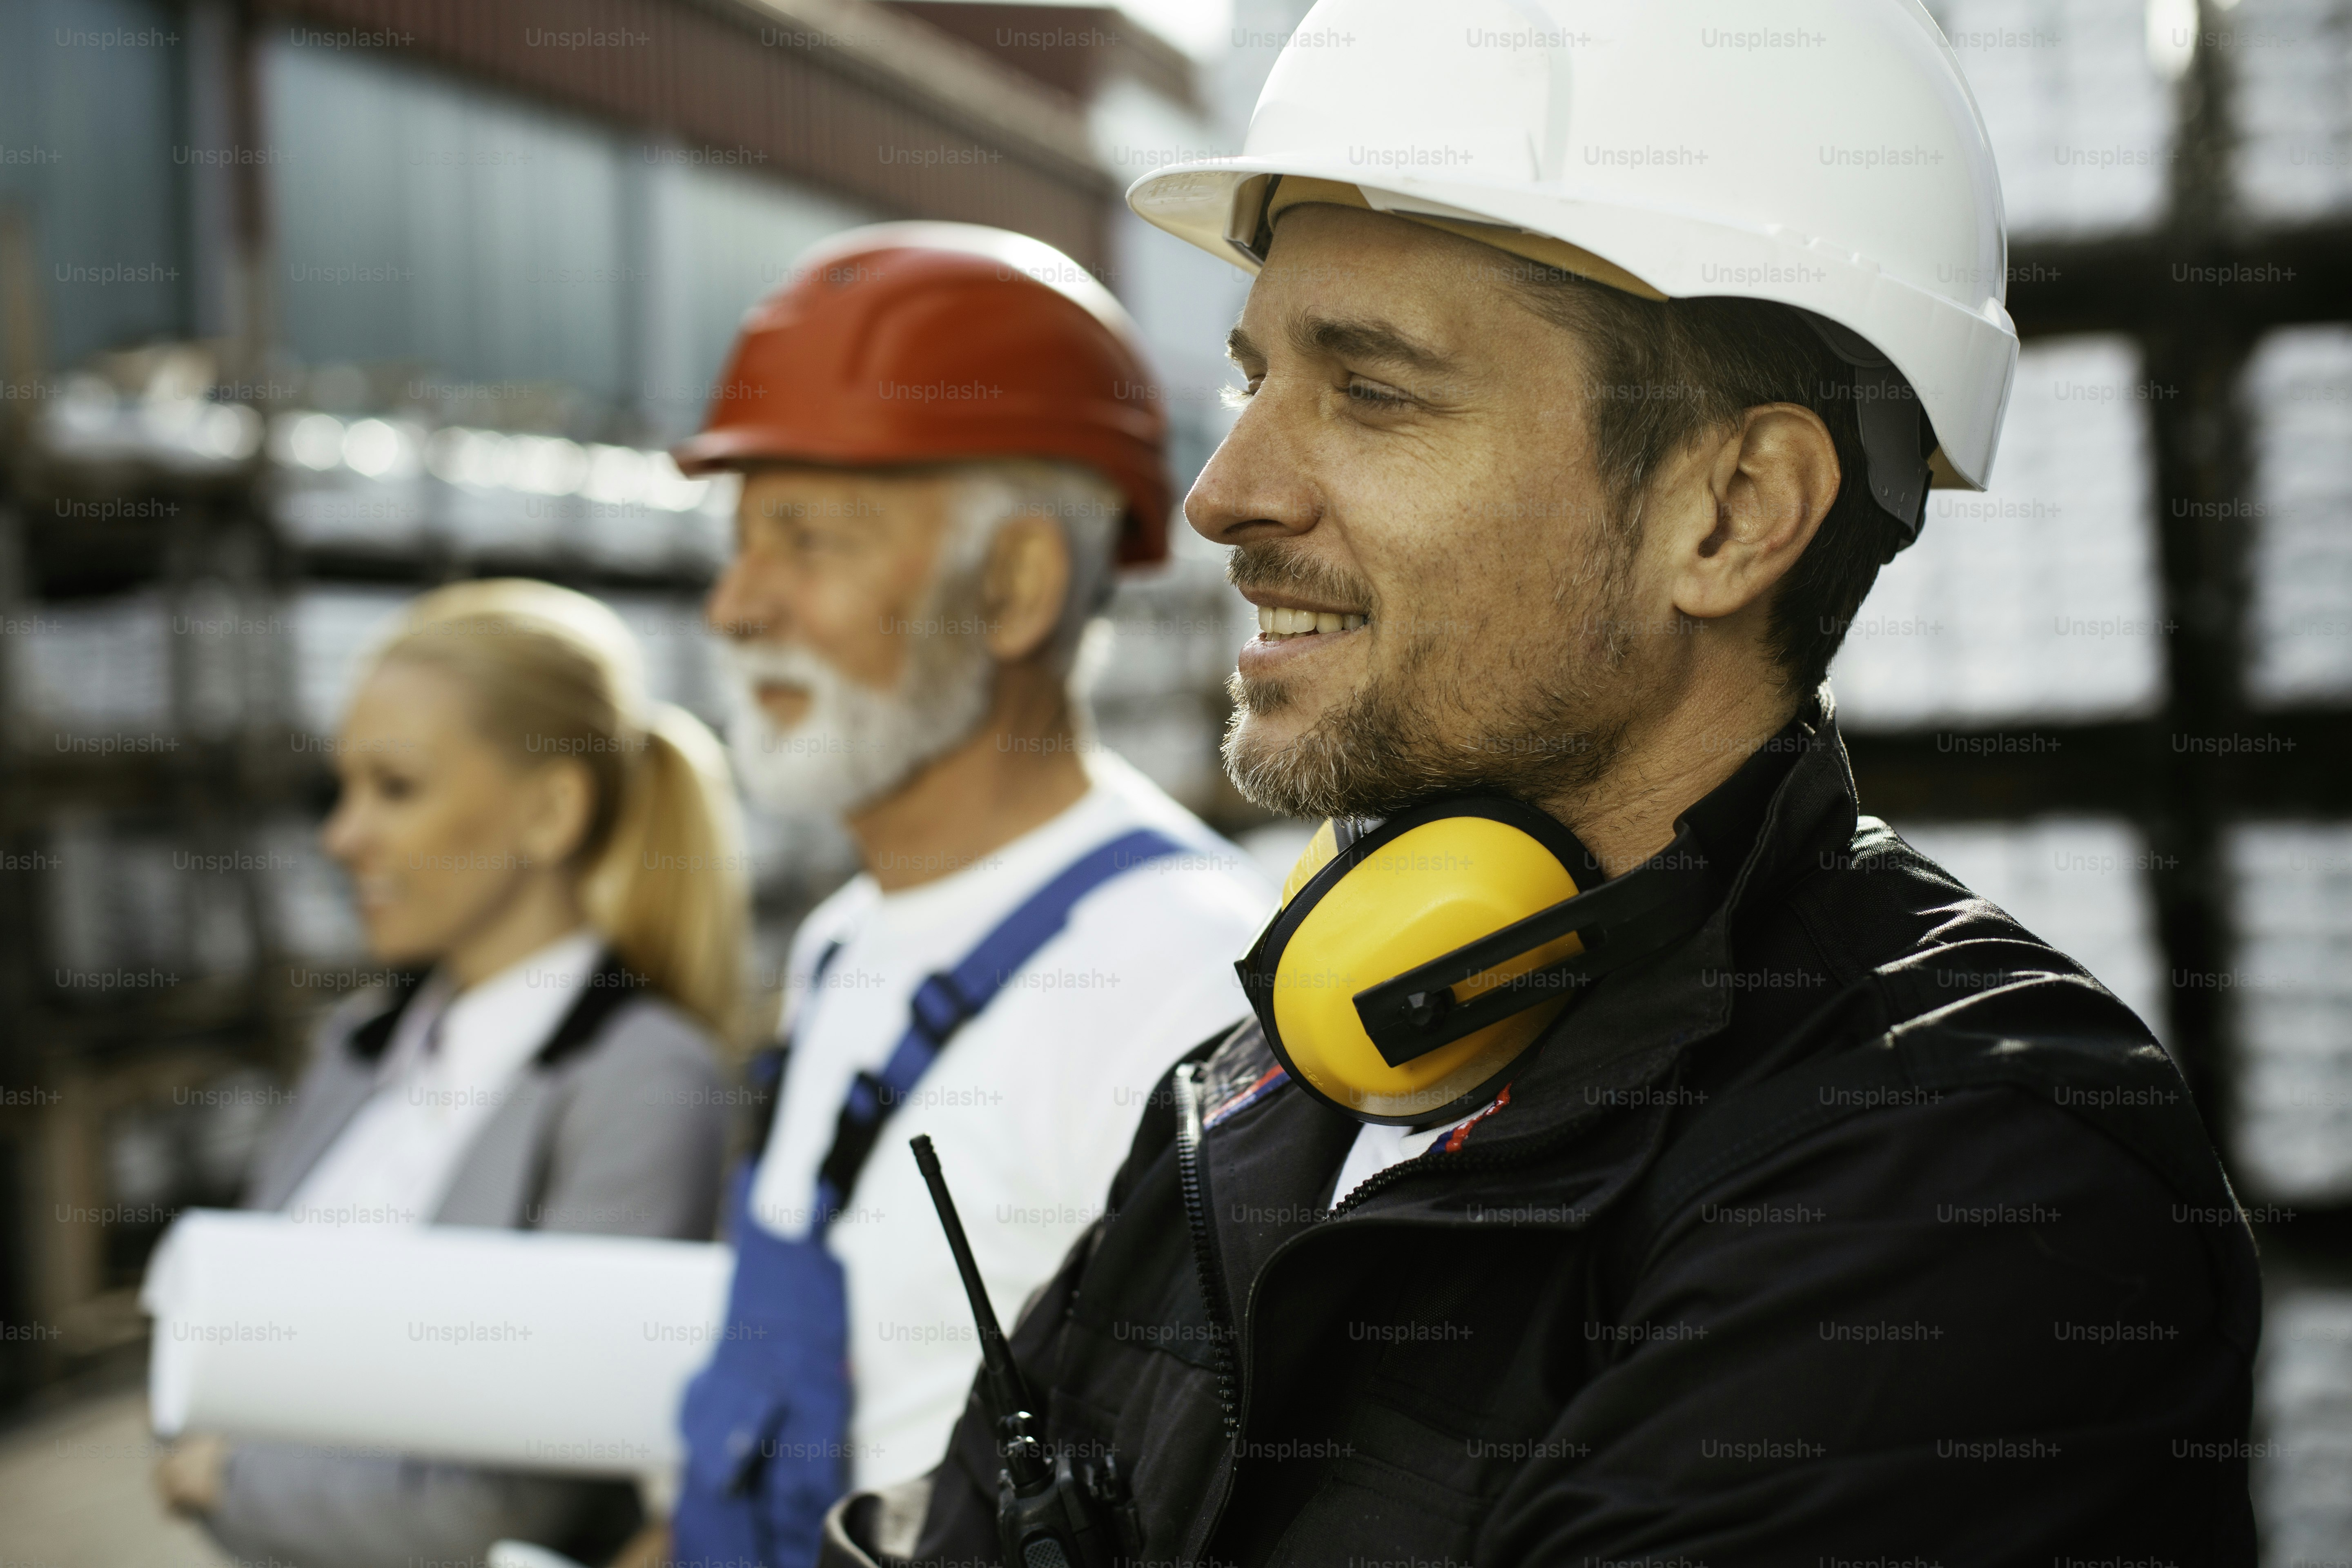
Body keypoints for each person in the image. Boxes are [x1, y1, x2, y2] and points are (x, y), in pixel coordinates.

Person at [864, 4, 2263, 1563]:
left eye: (1374, 391)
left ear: (1733, 514)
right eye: (1252, 377)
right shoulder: (1264, 1082)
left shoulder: (1976, 1187)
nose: (1224, 494)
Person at [663, 222, 1274, 1568]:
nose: (738, 607)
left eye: (808, 538)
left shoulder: (1187, 988)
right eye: (742, 539)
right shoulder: (842, 942)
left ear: (1014, 586)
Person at [154, 578, 747, 1568]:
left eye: (396, 788)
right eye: (342, 790)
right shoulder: (362, 1042)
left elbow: (504, 1506)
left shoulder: (643, 1080)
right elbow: (209, 1344)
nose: (342, 837)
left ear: (551, 811)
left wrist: (230, 1479)